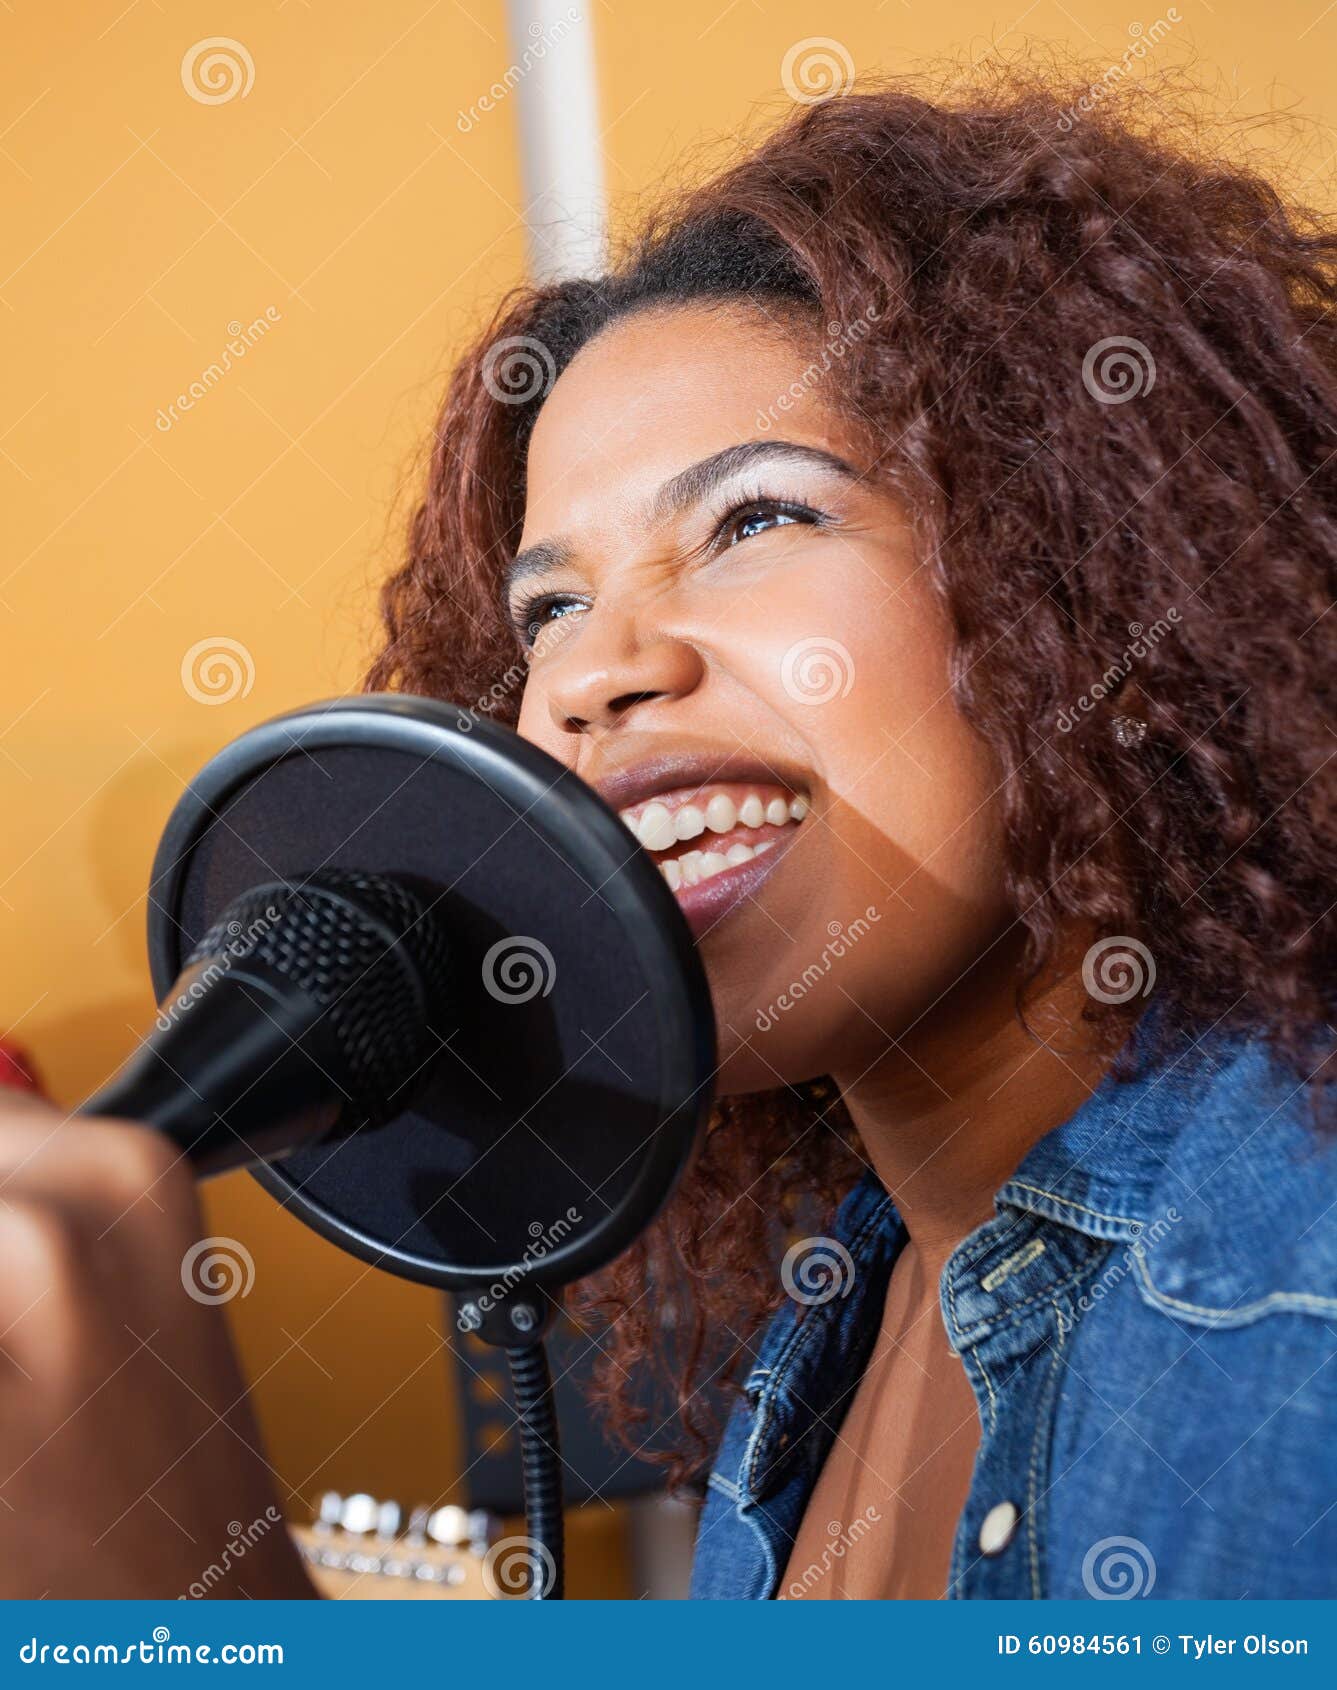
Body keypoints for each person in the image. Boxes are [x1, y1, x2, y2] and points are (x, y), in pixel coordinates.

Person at [4, 72, 1333, 1599]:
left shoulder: (1296, 1283)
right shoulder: (828, 1325)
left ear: (1081, 572)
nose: (589, 673)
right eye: (550, 608)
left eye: (754, 520)